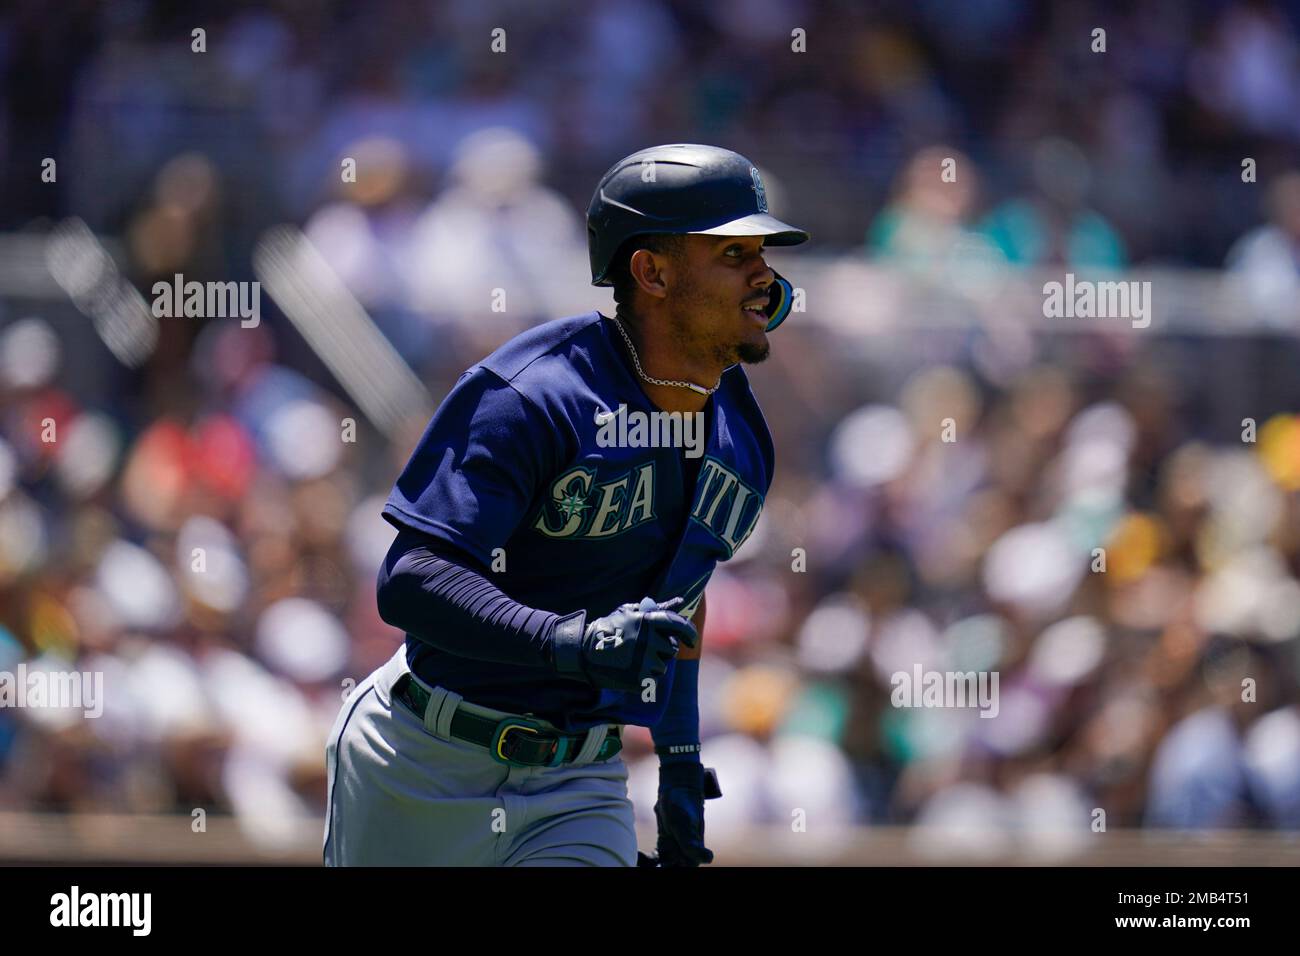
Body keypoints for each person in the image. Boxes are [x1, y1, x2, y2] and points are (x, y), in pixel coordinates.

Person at [323, 143, 808, 866]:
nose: (763, 275)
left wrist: (677, 759)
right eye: (734, 253)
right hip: (423, 758)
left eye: (763, 253)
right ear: (652, 272)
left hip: (576, 780)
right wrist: (566, 642)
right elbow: (411, 579)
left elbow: (681, 609)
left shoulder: (741, 435)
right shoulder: (530, 396)